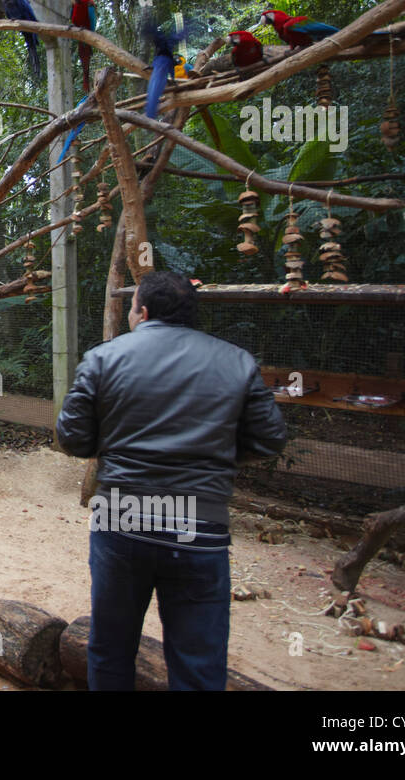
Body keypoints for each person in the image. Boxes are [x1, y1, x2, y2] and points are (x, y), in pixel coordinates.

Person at [55, 271, 287, 691]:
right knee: (198, 662)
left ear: (141, 312)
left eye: (130, 308)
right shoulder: (237, 361)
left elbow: (72, 439)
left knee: (110, 647)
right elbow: (269, 441)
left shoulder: (103, 358)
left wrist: (116, 445)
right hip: (201, 527)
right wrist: (214, 458)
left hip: (121, 522)